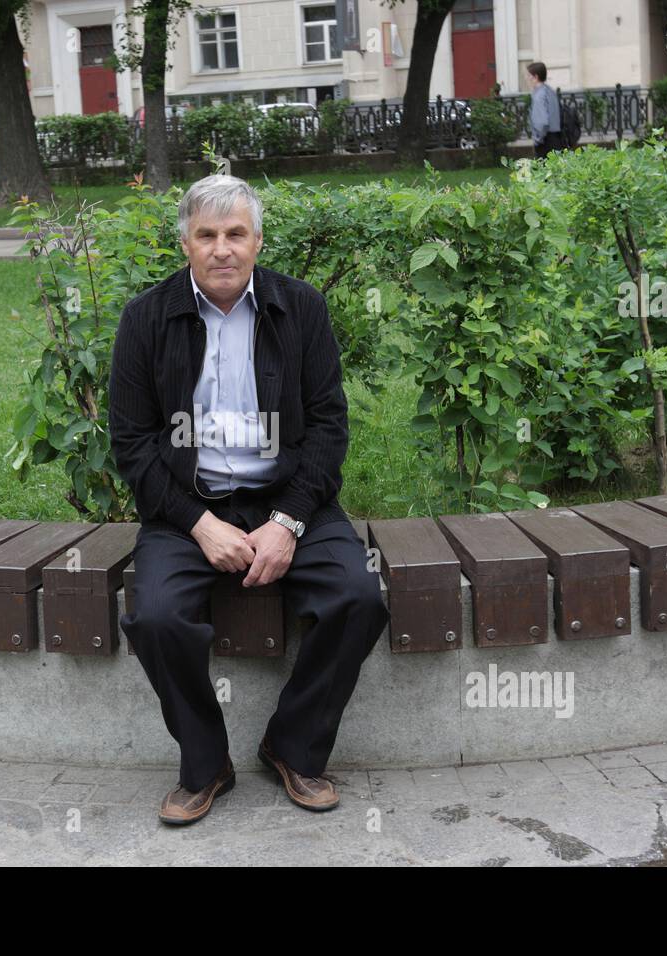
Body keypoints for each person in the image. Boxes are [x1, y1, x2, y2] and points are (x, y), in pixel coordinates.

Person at [108, 174, 391, 826]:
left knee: (357, 598)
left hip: (290, 499)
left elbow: (327, 429)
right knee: (155, 617)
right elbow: (132, 444)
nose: (222, 249)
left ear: (258, 241)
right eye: (206, 235)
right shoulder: (146, 319)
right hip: (186, 507)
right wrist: (198, 524)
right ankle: (206, 765)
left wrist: (287, 521)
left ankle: (292, 746)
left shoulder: (301, 309)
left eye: (236, 233)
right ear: (186, 244)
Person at [527, 61, 566, 158]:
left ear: (535, 77)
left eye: (529, 76)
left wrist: (537, 139)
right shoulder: (550, 91)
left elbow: (542, 122)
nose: (527, 78)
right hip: (556, 138)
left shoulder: (539, 95)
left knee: (543, 171)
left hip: (545, 141)